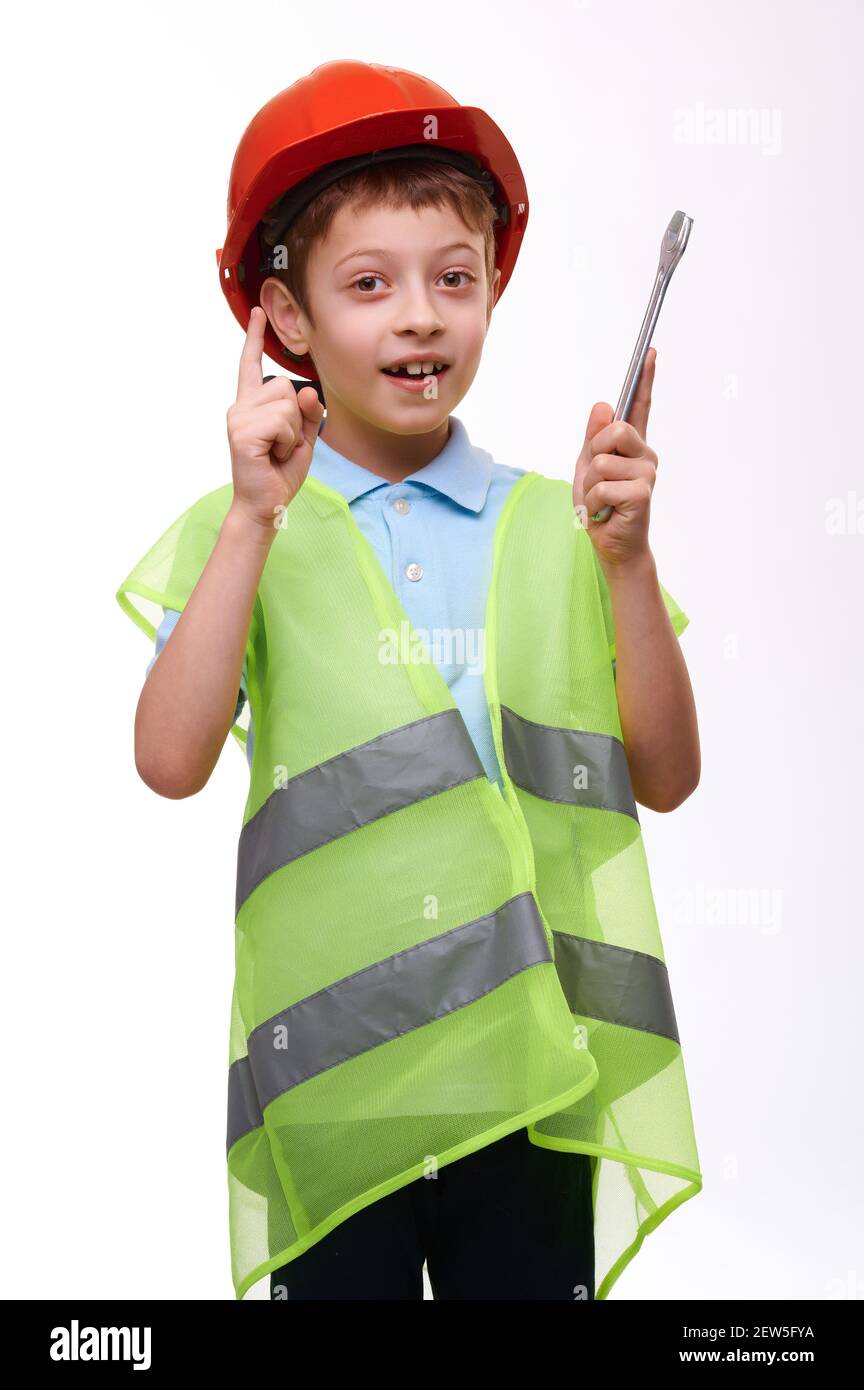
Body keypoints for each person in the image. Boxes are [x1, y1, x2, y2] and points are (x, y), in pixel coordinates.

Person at [117, 60, 702, 1301]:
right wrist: (246, 525)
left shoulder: (561, 526)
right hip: (334, 1090)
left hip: (532, 1078)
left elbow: (667, 774)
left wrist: (630, 562)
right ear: (286, 321)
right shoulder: (253, 532)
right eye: (369, 285)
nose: (421, 317)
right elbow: (169, 761)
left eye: (455, 278)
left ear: (494, 288)